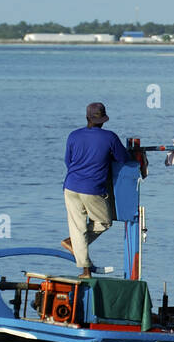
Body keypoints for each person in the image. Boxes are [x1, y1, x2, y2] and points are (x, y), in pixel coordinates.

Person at [61, 102, 143, 278]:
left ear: (87, 118)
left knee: (78, 228)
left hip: (70, 187)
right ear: (103, 120)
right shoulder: (110, 137)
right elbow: (122, 158)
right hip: (92, 189)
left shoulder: (73, 136)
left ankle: (84, 269)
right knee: (104, 222)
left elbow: (68, 162)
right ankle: (74, 246)